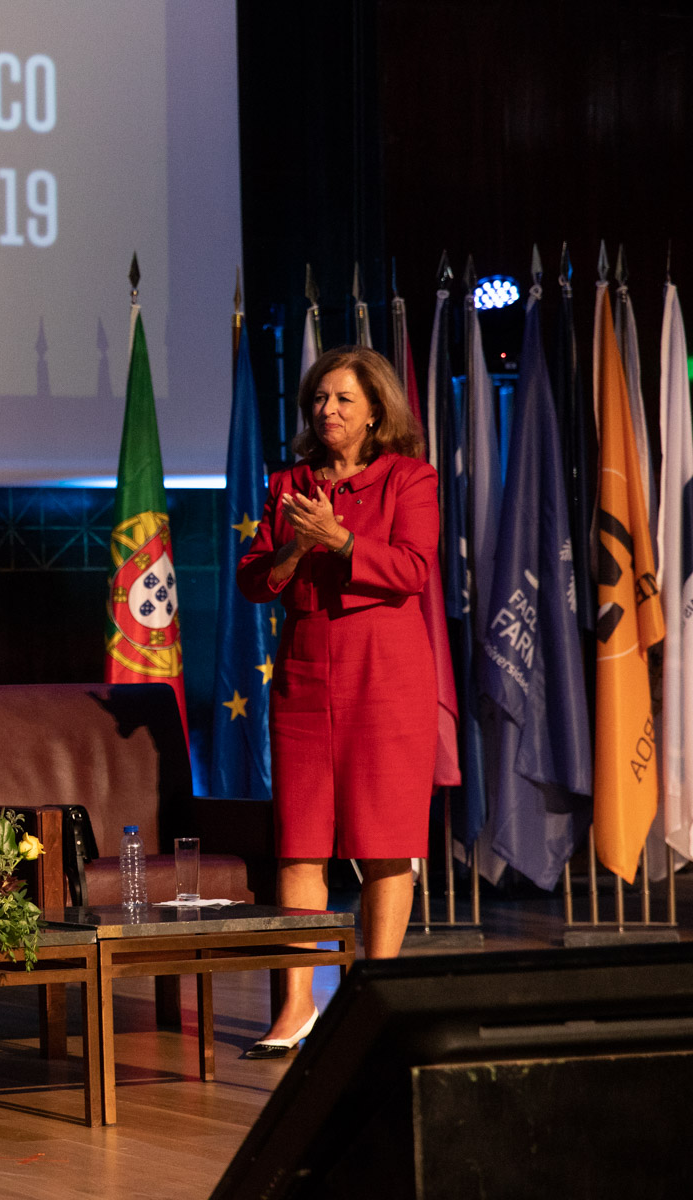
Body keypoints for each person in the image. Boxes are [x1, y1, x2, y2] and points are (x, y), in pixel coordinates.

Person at [236, 344, 438, 1058]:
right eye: (320, 400)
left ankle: (374, 1000)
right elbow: (257, 582)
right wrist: (293, 548)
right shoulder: (287, 481)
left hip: (386, 676)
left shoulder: (409, 478)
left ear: (377, 410)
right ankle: (296, 1005)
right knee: (301, 843)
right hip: (305, 675)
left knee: (384, 844)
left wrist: (343, 540)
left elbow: (413, 570)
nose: (327, 411)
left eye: (344, 400)